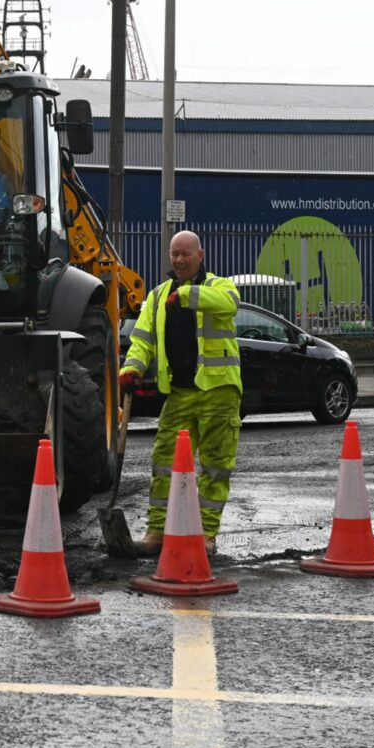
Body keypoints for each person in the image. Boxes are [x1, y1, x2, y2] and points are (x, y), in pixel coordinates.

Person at [118, 230, 242, 557]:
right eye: (174, 254)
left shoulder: (220, 286)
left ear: (200, 256)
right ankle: (157, 531)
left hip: (219, 390)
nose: (179, 260)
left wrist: (187, 296)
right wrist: (130, 368)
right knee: (163, 462)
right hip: (179, 393)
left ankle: (206, 534)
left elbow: (229, 305)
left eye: (185, 254)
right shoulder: (158, 297)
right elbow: (143, 340)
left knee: (215, 466)